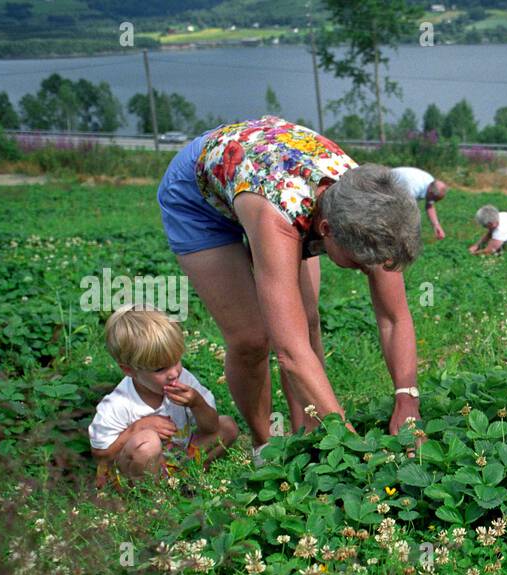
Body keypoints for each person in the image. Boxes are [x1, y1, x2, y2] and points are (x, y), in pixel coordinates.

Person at [157, 116, 423, 466]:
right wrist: (353, 446)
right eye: (360, 263)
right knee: (253, 339)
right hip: (200, 195)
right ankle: (264, 447)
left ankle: (307, 435)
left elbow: (393, 317)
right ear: (325, 230)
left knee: (307, 320)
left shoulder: (370, 206)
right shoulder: (279, 217)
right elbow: (291, 352)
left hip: (265, 171)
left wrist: (407, 399)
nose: (366, 269)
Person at [89, 304, 238, 481]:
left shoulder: (183, 378)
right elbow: (100, 454)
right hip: (133, 473)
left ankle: (182, 478)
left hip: (178, 458)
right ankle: (150, 494)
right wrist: (139, 427)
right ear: (129, 370)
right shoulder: (118, 403)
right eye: (160, 369)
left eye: (176, 361)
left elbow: (211, 428)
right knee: (147, 443)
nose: (174, 373)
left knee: (227, 427)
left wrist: (196, 403)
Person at [391, 166, 449, 240]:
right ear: (431, 193)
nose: (433, 201)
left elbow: (430, 205)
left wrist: (436, 225)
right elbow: (403, 209)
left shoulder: (431, 185)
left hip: (402, 187)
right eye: (434, 199)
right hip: (388, 183)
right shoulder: (414, 187)